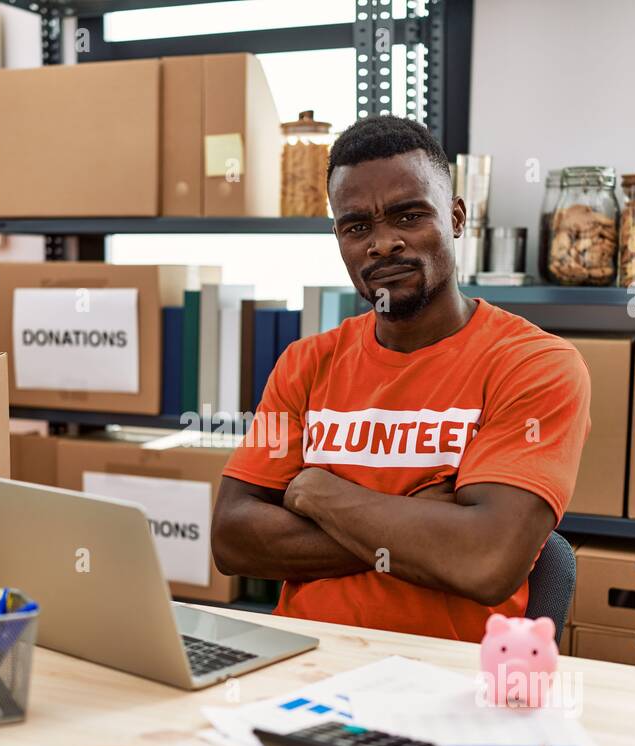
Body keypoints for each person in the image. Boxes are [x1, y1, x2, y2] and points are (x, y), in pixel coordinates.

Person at [211, 115, 591, 642]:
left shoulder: (533, 364)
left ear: (456, 217)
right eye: (357, 226)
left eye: (409, 215)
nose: (383, 243)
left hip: (448, 683)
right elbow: (233, 541)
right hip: (299, 663)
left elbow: (485, 561)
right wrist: (424, 524)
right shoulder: (306, 362)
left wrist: (317, 494)